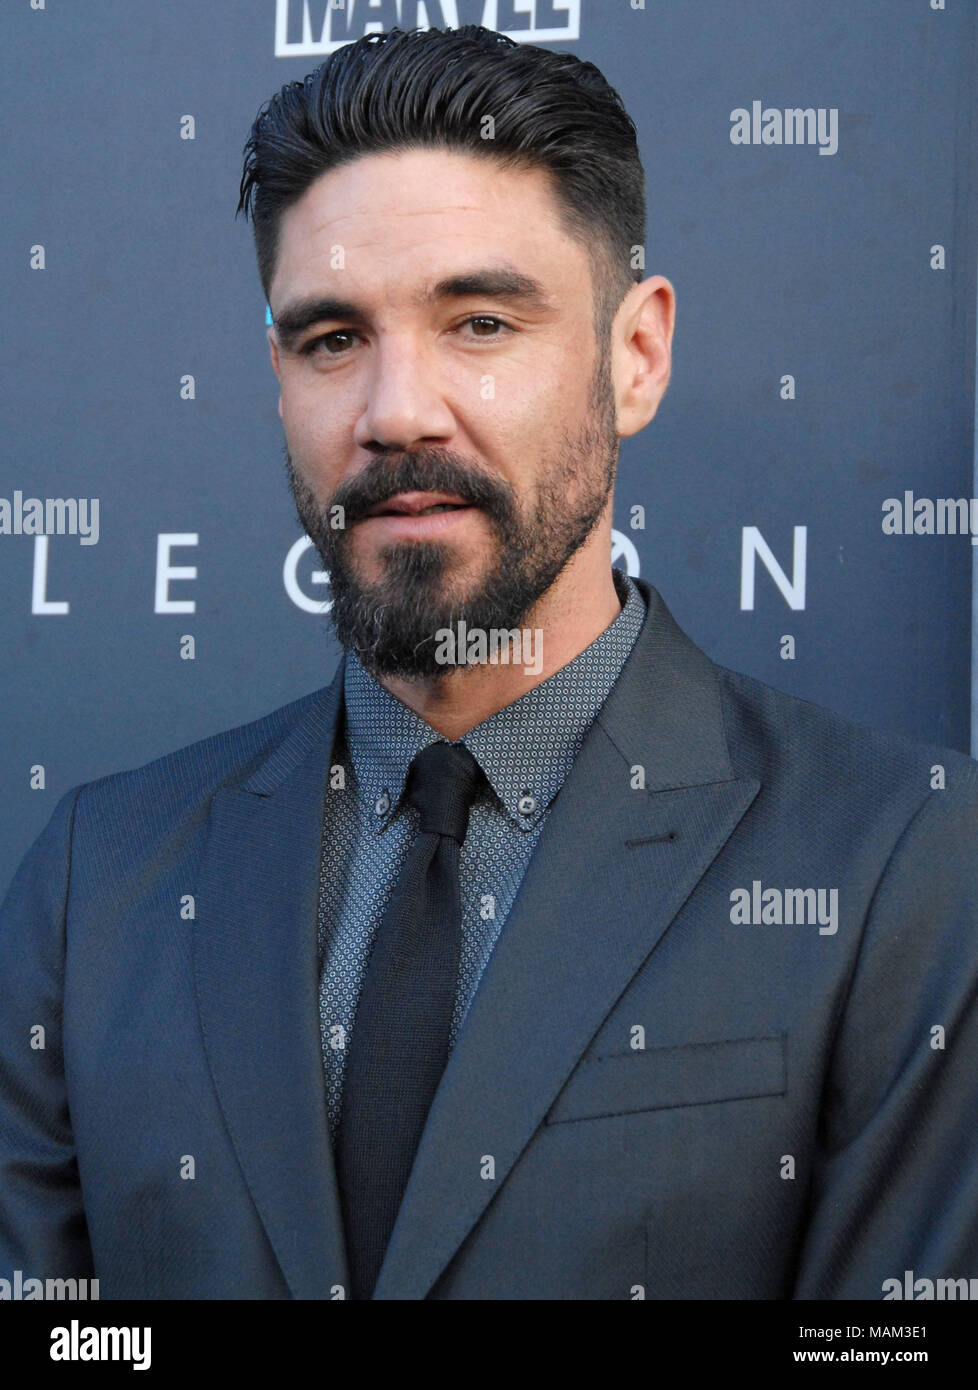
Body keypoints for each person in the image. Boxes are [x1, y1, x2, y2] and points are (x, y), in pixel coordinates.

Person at [2, 24, 977, 1302]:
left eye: (479, 320)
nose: (395, 408)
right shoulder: (101, 881)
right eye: (331, 338)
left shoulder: (901, 861)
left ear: (635, 357)